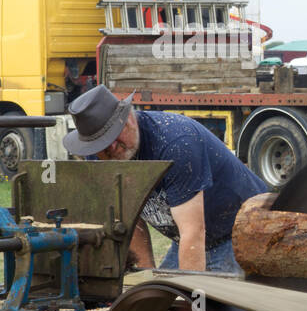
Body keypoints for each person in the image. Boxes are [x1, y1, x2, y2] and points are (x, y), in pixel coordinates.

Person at [62, 85, 266, 272]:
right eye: (101, 145)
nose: (111, 148)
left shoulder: (176, 144)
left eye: (115, 136)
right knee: (160, 298)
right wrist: (146, 277)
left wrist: (191, 299)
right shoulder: (97, 154)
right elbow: (130, 217)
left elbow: (193, 232)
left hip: (239, 232)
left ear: (129, 118)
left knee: (207, 307)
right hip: (191, 238)